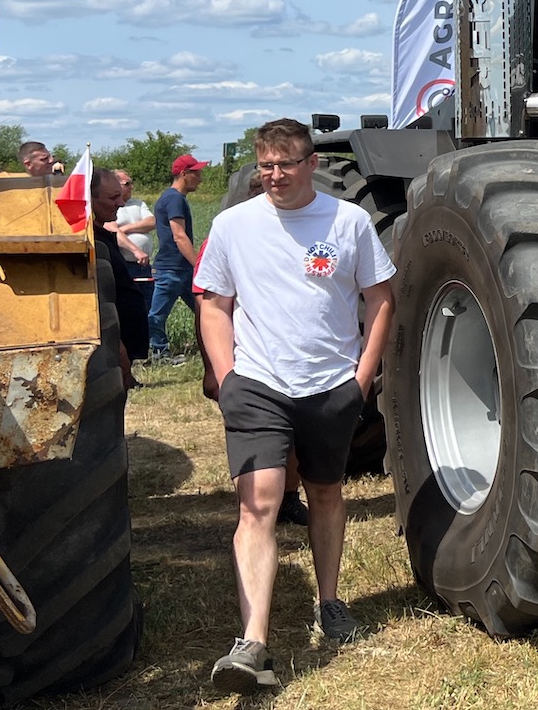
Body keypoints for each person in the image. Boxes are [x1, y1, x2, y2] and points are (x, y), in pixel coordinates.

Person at [196, 119, 394, 693]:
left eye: (286, 164)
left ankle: (330, 602)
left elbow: (381, 299)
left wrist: (362, 379)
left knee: (325, 493)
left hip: (330, 384)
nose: (275, 175)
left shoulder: (348, 221)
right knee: (258, 503)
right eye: (266, 165)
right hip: (258, 384)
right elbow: (214, 304)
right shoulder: (233, 225)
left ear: (312, 164)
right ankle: (252, 642)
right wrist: (228, 377)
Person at [91, 168, 151, 387]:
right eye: (113, 197)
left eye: (120, 195)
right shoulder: (90, 244)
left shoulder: (104, 237)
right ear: (90, 199)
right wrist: (116, 344)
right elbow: (97, 302)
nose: (121, 203)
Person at [148, 153, 208, 365]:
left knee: (207, 311)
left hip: (179, 269)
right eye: (196, 173)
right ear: (184, 174)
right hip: (172, 269)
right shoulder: (174, 199)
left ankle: (212, 347)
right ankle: (159, 354)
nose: (200, 178)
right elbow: (179, 236)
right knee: (156, 315)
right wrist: (199, 266)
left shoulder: (173, 197)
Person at [110, 172, 156, 309]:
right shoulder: (111, 206)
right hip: (124, 265)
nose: (132, 187)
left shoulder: (138, 204)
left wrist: (124, 229)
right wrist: (136, 251)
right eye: (127, 184)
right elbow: (113, 231)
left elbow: (152, 222)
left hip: (143, 266)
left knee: (147, 304)